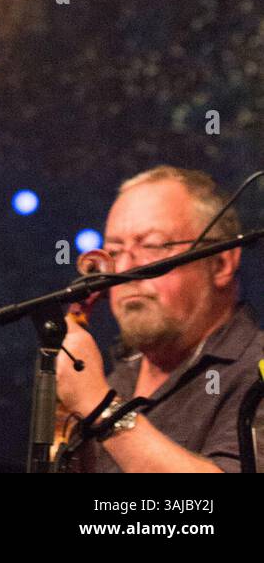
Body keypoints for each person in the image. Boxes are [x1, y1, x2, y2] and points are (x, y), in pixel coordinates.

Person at [57, 166, 264, 472]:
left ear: (220, 264)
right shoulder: (117, 377)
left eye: (152, 246)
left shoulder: (255, 371)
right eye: (114, 250)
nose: (125, 270)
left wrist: (103, 410)